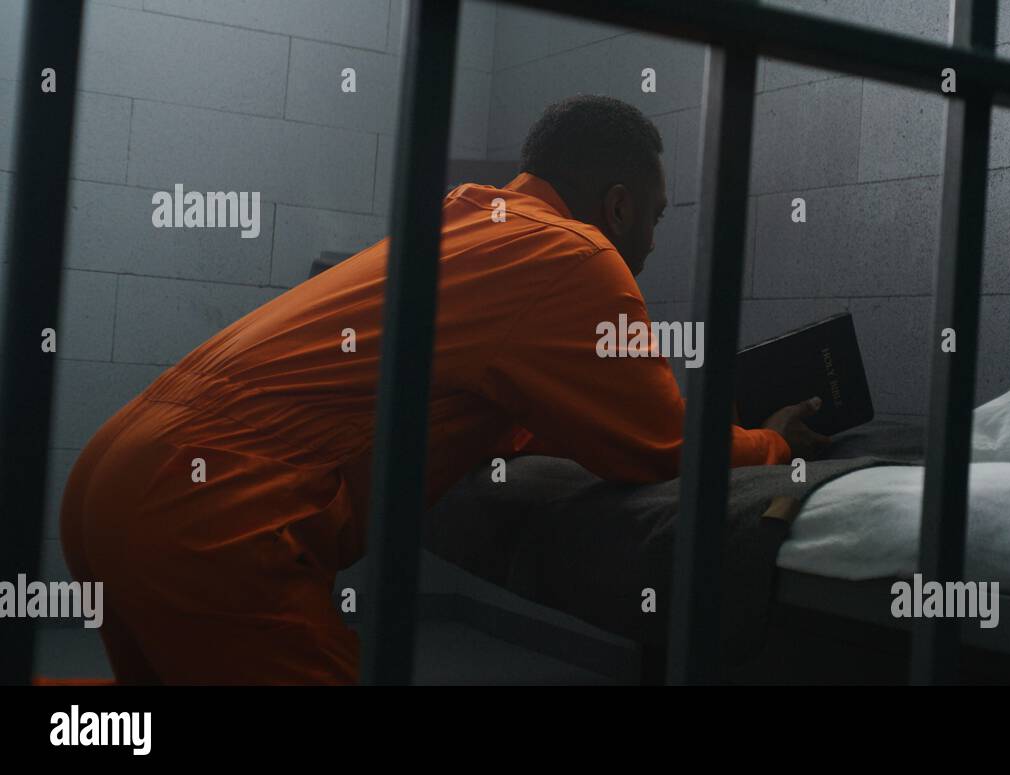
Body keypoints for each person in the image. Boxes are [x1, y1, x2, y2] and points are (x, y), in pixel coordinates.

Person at [58, 95, 829, 684]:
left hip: (111, 476)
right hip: (207, 515)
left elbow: (526, 405)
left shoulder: (466, 221)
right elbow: (660, 443)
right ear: (619, 204)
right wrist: (777, 441)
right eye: (656, 218)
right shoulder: (575, 255)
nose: (654, 242)